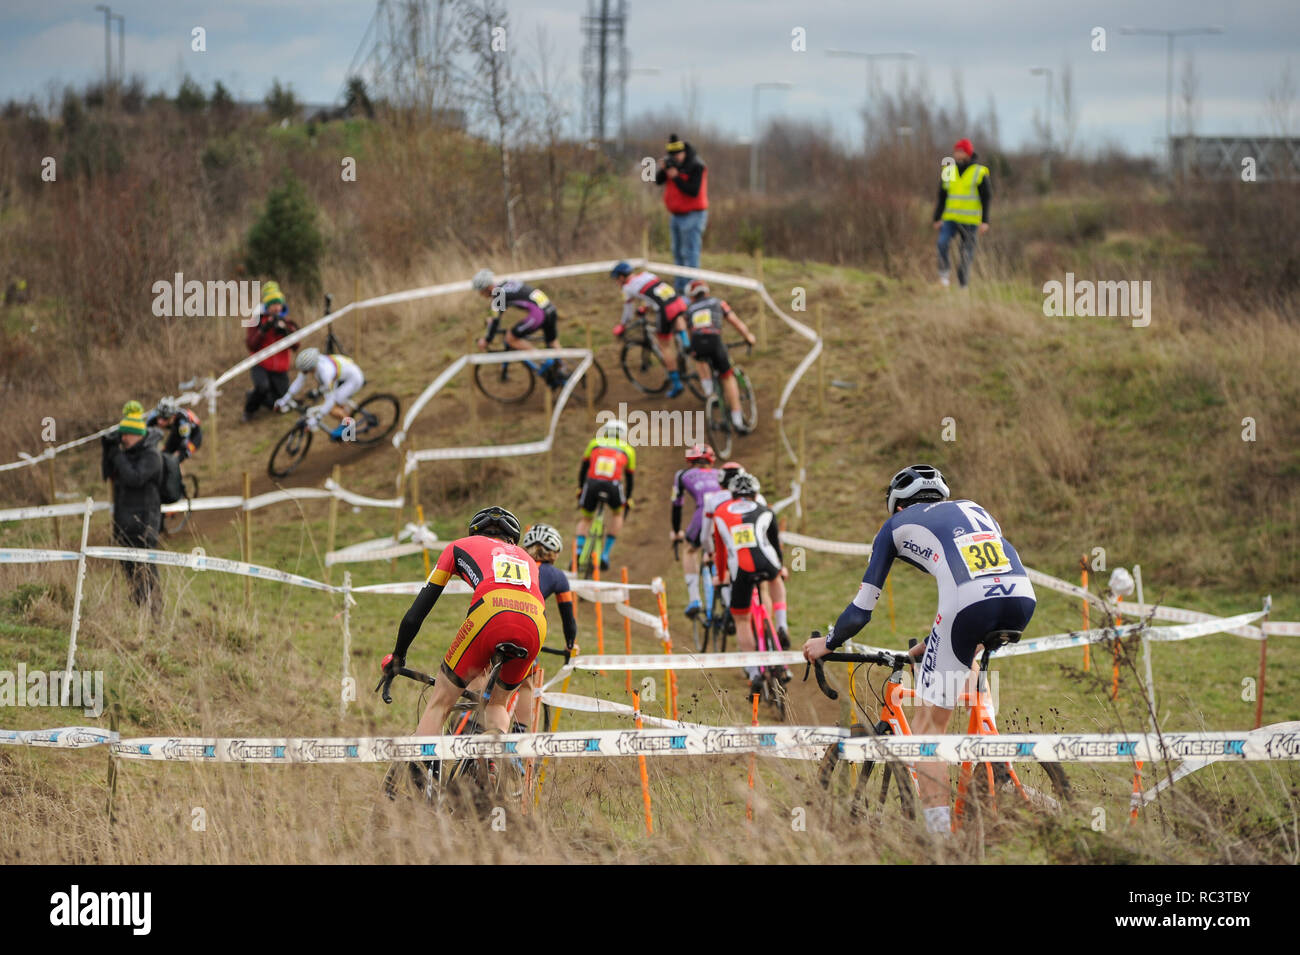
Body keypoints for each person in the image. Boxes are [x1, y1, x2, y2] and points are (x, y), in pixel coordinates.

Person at [801, 464, 1036, 836]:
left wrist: (826, 643)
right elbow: (983, 580)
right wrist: (931, 644)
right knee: (969, 659)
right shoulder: (974, 510)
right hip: (1022, 597)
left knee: (928, 728)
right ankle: (992, 761)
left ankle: (940, 840)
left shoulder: (894, 527)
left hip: (968, 604)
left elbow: (861, 610)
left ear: (898, 506)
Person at [382, 506, 544, 738]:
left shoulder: (458, 547)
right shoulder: (527, 559)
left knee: (440, 703)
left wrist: (398, 656)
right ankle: (491, 765)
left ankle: (419, 767)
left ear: (476, 533)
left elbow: (415, 615)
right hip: (535, 623)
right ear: (512, 540)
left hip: (490, 612)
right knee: (498, 704)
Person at [712, 472, 789, 691]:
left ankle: (755, 672)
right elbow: (775, 544)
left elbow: (720, 552)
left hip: (741, 570)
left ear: (732, 493)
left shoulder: (720, 512)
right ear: (755, 494)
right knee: (775, 579)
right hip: (767, 563)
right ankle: (782, 625)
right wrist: (780, 567)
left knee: (742, 620)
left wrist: (720, 575)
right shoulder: (765, 510)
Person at [509, 523, 579, 731]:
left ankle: (470, 721)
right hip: (525, 629)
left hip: (493, 618)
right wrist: (569, 644)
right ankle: (517, 736)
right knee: (528, 681)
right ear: (555, 553)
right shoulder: (557, 576)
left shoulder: (513, 563)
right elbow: (569, 619)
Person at [100, 401, 164, 607]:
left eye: (126, 434)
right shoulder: (125, 455)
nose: (123, 439)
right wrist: (107, 449)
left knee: (145, 572)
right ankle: (140, 614)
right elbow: (107, 474)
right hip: (124, 525)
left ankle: (154, 614)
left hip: (144, 525)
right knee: (130, 574)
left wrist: (117, 455)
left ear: (136, 434)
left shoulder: (152, 456)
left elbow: (134, 478)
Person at [684, 279, 757, 434]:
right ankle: (737, 421)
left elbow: (690, 334)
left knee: (699, 358)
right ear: (707, 291)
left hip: (697, 344)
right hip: (715, 343)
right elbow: (735, 322)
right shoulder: (718, 302)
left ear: (692, 296)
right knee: (727, 377)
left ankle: (709, 391)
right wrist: (748, 336)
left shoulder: (689, 310)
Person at [610, 261, 690, 398]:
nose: (617, 282)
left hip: (665, 310)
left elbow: (628, 311)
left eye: (617, 279)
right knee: (677, 317)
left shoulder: (627, 288)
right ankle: (685, 341)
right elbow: (655, 292)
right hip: (678, 301)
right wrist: (646, 307)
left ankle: (677, 383)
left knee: (664, 346)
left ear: (622, 277)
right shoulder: (647, 274)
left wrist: (622, 325)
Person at [576, 419, 636, 571]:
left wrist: (580, 488)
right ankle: (605, 554)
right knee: (617, 515)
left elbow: (583, 469)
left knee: (586, 518)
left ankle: (578, 550)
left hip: (592, 484)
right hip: (613, 487)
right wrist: (628, 498)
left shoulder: (594, 443)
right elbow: (629, 478)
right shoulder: (628, 449)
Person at [470, 269, 563, 368]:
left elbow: (495, 320)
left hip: (539, 314)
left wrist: (486, 340)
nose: (480, 295)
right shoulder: (507, 283)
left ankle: (543, 360)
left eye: (480, 291)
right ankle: (562, 368)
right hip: (550, 308)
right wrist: (494, 319)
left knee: (510, 338)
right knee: (552, 341)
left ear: (486, 288)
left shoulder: (498, 295)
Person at [654, 133, 709, 295]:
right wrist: (664, 170)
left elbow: (693, 191)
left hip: (693, 214)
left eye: (677, 154)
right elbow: (658, 181)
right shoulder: (671, 165)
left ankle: (693, 287)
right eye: (672, 155)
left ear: (684, 152)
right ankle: (680, 286)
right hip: (676, 215)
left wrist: (676, 177)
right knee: (677, 251)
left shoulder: (696, 166)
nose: (675, 158)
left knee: (690, 252)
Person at [670, 443, 721, 617]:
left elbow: (676, 505)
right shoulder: (720, 475)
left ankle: (694, 599)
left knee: (690, 550)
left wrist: (676, 531)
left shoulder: (683, 474)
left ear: (690, 461)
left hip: (703, 515)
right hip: (725, 515)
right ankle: (727, 603)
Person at [933, 138, 991, 288]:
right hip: (950, 219)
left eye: (960, 150)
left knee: (966, 254)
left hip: (971, 221)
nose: (956, 154)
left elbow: (986, 197)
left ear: (968, 152)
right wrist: (937, 217)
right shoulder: (948, 170)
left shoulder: (979, 172)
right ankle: (944, 276)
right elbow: (942, 196)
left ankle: (962, 285)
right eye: (956, 150)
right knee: (942, 243)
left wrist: (985, 221)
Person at [274, 347, 365, 441]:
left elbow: (330, 401)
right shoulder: (312, 363)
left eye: (305, 371)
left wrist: (316, 419)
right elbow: (299, 381)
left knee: (332, 409)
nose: (303, 373)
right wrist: (284, 399)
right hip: (341, 376)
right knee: (335, 405)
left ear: (311, 367)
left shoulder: (326, 373)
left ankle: (349, 428)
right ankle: (345, 419)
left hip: (353, 379)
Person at [243, 281, 299, 421]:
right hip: (261, 364)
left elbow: (296, 346)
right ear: (267, 305)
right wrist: (263, 330)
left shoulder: (287, 321)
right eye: (273, 304)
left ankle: (256, 396)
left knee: (281, 401)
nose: (276, 307)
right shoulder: (257, 320)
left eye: (278, 304)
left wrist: (287, 332)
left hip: (280, 367)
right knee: (262, 387)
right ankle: (249, 410)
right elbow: (251, 345)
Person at [147, 397, 202, 461]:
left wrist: (175, 457)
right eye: (159, 417)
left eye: (165, 418)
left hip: (193, 436)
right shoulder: (154, 415)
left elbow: (184, 442)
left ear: (173, 416)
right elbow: (144, 431)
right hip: (176, 431)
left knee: (178, 457)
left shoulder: (182, 421)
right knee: (163, 455)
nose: (160, 422)